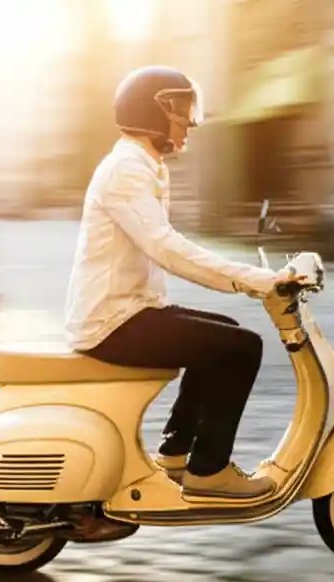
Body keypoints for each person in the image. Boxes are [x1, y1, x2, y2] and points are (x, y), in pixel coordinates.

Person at [63, 66, 291, 501]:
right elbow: (167, 249)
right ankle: (210, 470)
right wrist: (255, 280)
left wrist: (253, 278)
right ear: (153, 111)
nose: (189, 120)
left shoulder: (143, 164)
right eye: (181, 109)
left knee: (226, 332)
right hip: (112, 323)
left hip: (130, 311)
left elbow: (166, 248)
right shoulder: (127, 170)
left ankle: (175, 451)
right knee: (243, 349)